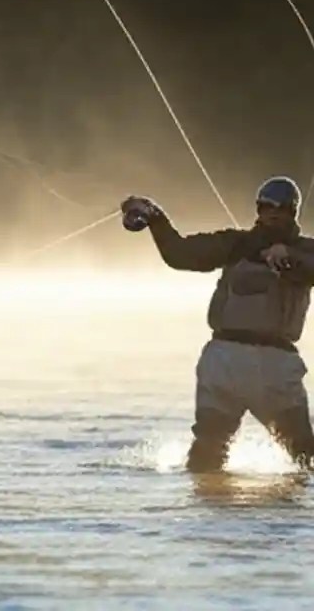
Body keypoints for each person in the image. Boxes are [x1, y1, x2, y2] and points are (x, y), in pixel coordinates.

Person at [123, 176, 314, 473]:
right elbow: (179, 254)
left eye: (282, 207)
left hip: (276, 365)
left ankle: (291, 519)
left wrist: (292, 257)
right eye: (266, 205)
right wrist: (154, 217)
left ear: (293, 211)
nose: (273, 212)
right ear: (258, 209)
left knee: (305, 455)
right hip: (223, 361)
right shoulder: (235, 244)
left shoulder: (306, 250)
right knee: (205, 459)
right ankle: (207, 518)